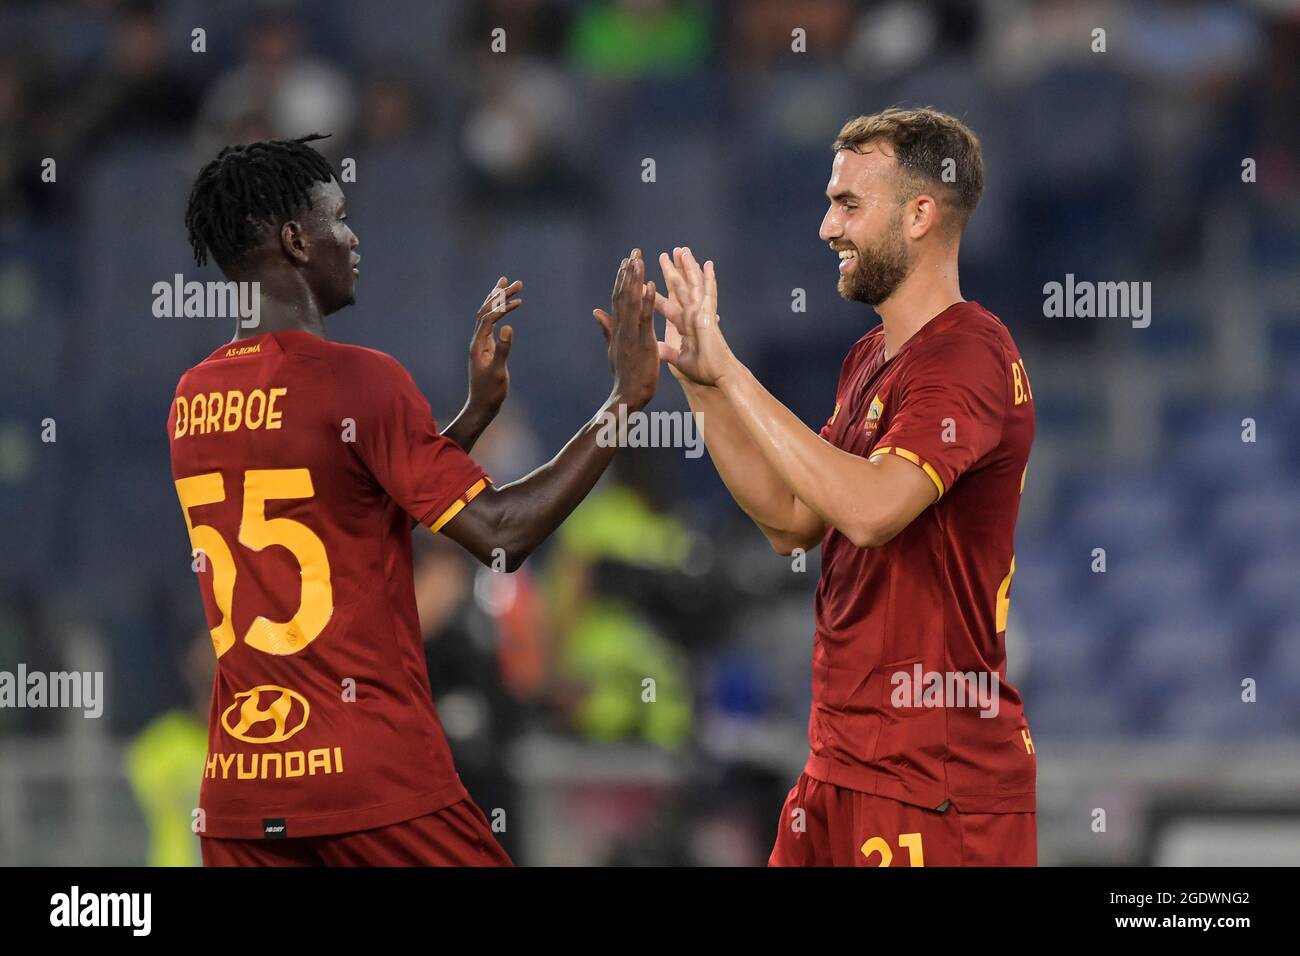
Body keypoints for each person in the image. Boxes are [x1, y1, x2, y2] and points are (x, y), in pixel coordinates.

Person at [170, 133, 660, 866]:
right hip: (374, 781)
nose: (354, 237)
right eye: (338, 218)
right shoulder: (359, 380)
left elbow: (348, 509)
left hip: (244, 792)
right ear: (297, 240)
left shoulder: (193, 398)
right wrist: (625, 398)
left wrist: (471, 417)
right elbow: (502, 535)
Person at [655, 108, 1037, 866]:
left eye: (848, 204)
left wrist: (735, 373)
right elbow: (794, 519)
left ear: (921, 213)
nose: (828, 228)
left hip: (935, 782)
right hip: (842, 762)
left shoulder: (968, 354)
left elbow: (868, 510)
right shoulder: (871, 357)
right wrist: (705, 389)